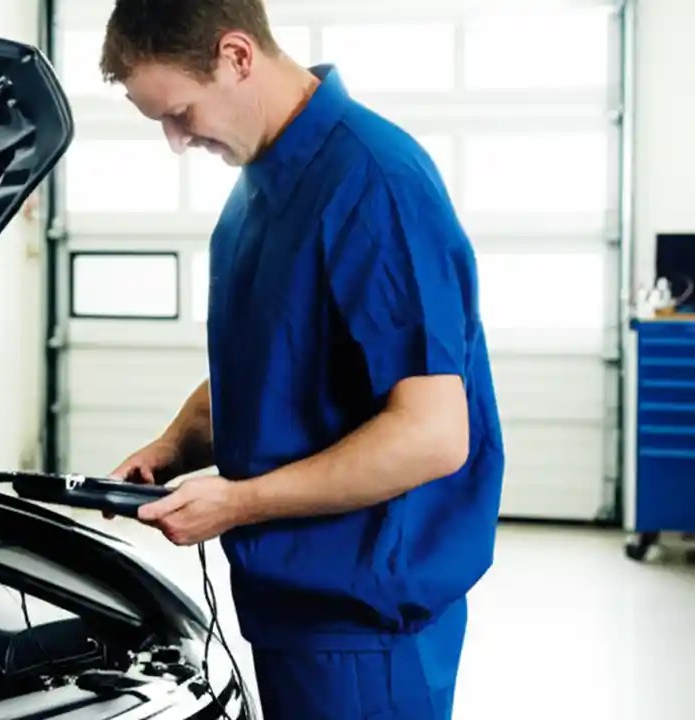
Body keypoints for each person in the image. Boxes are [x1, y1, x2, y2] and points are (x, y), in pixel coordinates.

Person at [98, 1, 506, 718]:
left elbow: (433, 435)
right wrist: (172, 447)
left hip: (365, 625)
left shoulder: (373, 184)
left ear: (237, 56)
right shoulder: (257, 192)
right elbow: (263, 369)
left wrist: (238, 502)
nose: (175, 140)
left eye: (180, 112)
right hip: (293, 609)